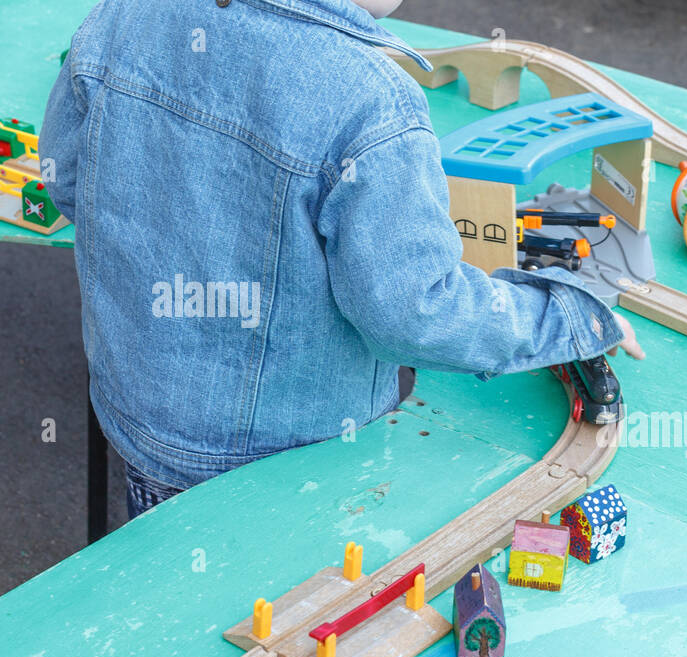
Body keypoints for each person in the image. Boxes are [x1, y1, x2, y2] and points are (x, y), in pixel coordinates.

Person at [40, 0, 643, 519]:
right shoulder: (369, 103)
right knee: (281, 628)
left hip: (138, 410)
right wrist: (568, 317)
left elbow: (68, 183)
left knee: (179, 616)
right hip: (290, 461)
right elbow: (415, 315)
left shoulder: (122, 16)